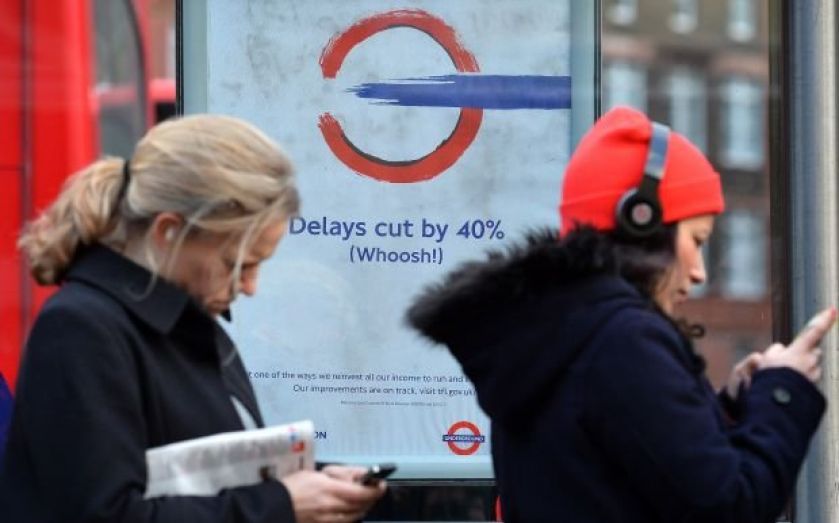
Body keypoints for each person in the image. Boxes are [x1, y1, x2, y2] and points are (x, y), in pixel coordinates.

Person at [406, 106, 833, 522]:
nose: (700, 271)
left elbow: (629, 467)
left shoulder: (554, 338)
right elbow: (731, 505)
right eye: (697, 240)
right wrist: (783, 392)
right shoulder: (624, 344)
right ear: (641, 220)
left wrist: (733, 408)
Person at [0, 115, 385, 523]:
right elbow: (106, 513)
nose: (249, 286)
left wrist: (317, 486)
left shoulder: (186, 320)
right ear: (169, 232)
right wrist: (282, 504)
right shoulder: (81, 330)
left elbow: (206, 481)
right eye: (236, 263)